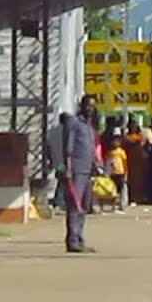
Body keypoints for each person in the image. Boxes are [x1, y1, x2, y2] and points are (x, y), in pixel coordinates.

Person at [63, 95, 99, 253]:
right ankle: (72, 240)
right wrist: (68, 169)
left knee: (84, 206)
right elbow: (68, 149)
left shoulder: (90, 127)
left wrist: (95, 165)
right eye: (88, 106)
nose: (90, 109)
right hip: (76, 170)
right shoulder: (74, 123)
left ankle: (79, 238)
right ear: (82, 106)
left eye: (93, 106)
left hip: (87, 170)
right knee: (74, 205)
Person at [47, 113, 74, 210]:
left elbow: (48, 145)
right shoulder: (68, 131)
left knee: (62, 180)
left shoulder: (53, 131)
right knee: (64, 181)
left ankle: (58, 201)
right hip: (65, 160)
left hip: (56, 159)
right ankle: (59, 201)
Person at [107, 135, 128, 211]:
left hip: (120, 172)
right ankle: (116, 205)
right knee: (115, 189)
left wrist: (126, 171)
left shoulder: (120, 152)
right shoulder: (112, 152)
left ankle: (120, 204)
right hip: (115, 172)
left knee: (119, 189)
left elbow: (124, 162)